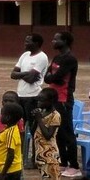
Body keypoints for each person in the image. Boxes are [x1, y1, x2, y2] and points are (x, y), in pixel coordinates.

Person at [44, 31, 80, 178]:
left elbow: (58, 77)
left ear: (65, 41)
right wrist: (51, 78)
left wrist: (51, 78)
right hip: (54, 98)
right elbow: (47, 76)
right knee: (58, 132)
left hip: (64, 99)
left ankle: (74, 166)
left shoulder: (70, 59)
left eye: (56, 39)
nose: (53, 41)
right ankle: (63, 162)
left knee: (67, 133)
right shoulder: (57, 57)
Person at [10, 34, 48, 138]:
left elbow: (31, 80)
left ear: (36, 43)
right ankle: (22, 153)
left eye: (28, 41)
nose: (25, 43)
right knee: (20, 127)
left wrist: (20, 74)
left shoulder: (42, 57)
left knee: (33, 128)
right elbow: (13, 74)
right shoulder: (25, 55)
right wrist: (26, 73)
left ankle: (34, 153)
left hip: (33, 96)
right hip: (20, 95)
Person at [32, 88, 61, 180]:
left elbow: (48, 135)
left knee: (53, 177)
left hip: (50, 155)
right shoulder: (42, 113)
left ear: (50, 101)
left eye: (41, 100)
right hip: (41, 154)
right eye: (38, 100)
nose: (38, 102)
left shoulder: (55, 115)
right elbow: (33, 131)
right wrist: (35, 120)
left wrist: (39, 119)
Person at [0, 103, 25, 180]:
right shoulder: (10, 130)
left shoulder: (10, 133)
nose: (0, 117)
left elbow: (10, 155)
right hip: (8, 169)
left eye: (2, 115)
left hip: (10, 171)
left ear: (8, 117)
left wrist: (3, 174)